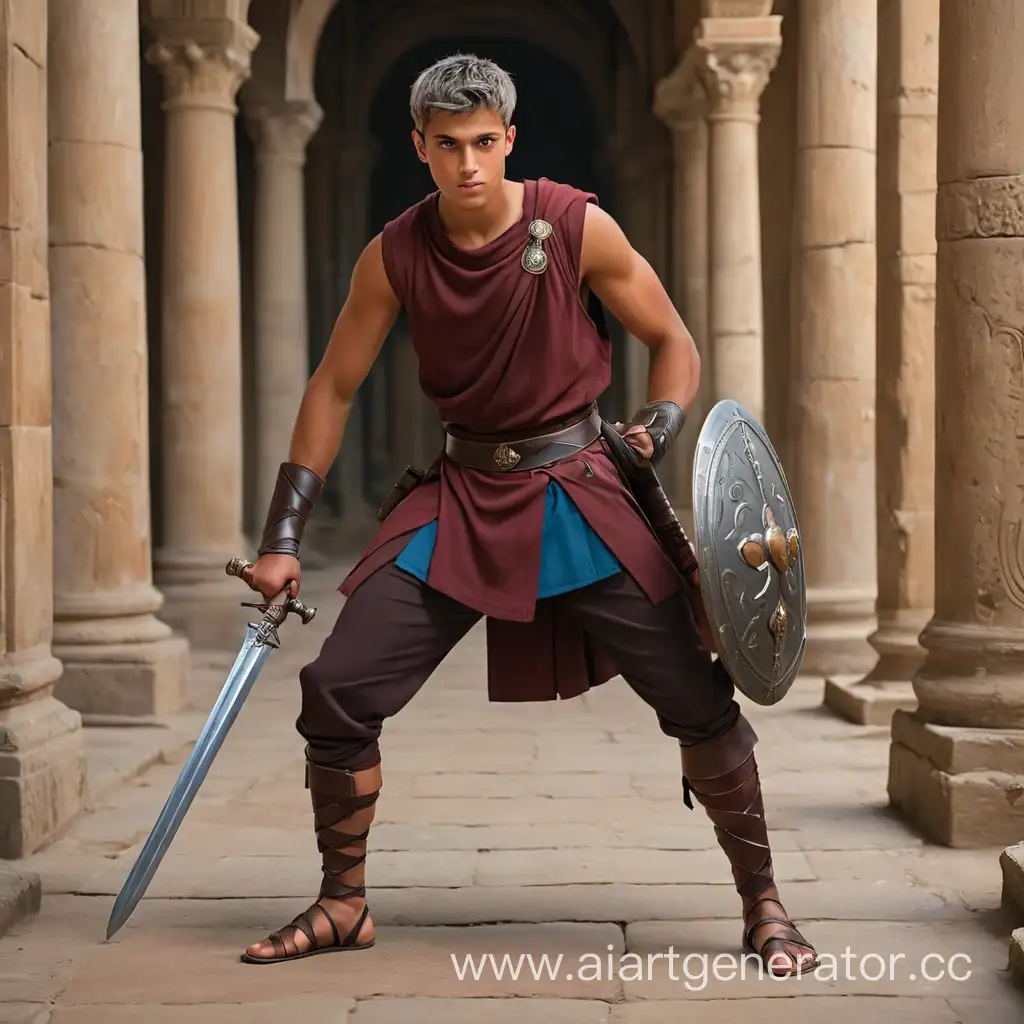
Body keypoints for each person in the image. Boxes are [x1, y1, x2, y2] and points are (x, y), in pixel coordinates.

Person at [238, 53, 818, 977]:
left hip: (582, 487)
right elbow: (333, 386)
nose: (467, 164)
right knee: (337, 687)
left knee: (698, 696)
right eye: (446, 145)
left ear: (508, 140)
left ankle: (766, 905)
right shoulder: (394, 254)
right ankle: (343, 903)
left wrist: (659, 425)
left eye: (482, 143)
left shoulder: (574, 225)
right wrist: (280, 540)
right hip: (461, 493)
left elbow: (672, 340)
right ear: (420, 147)